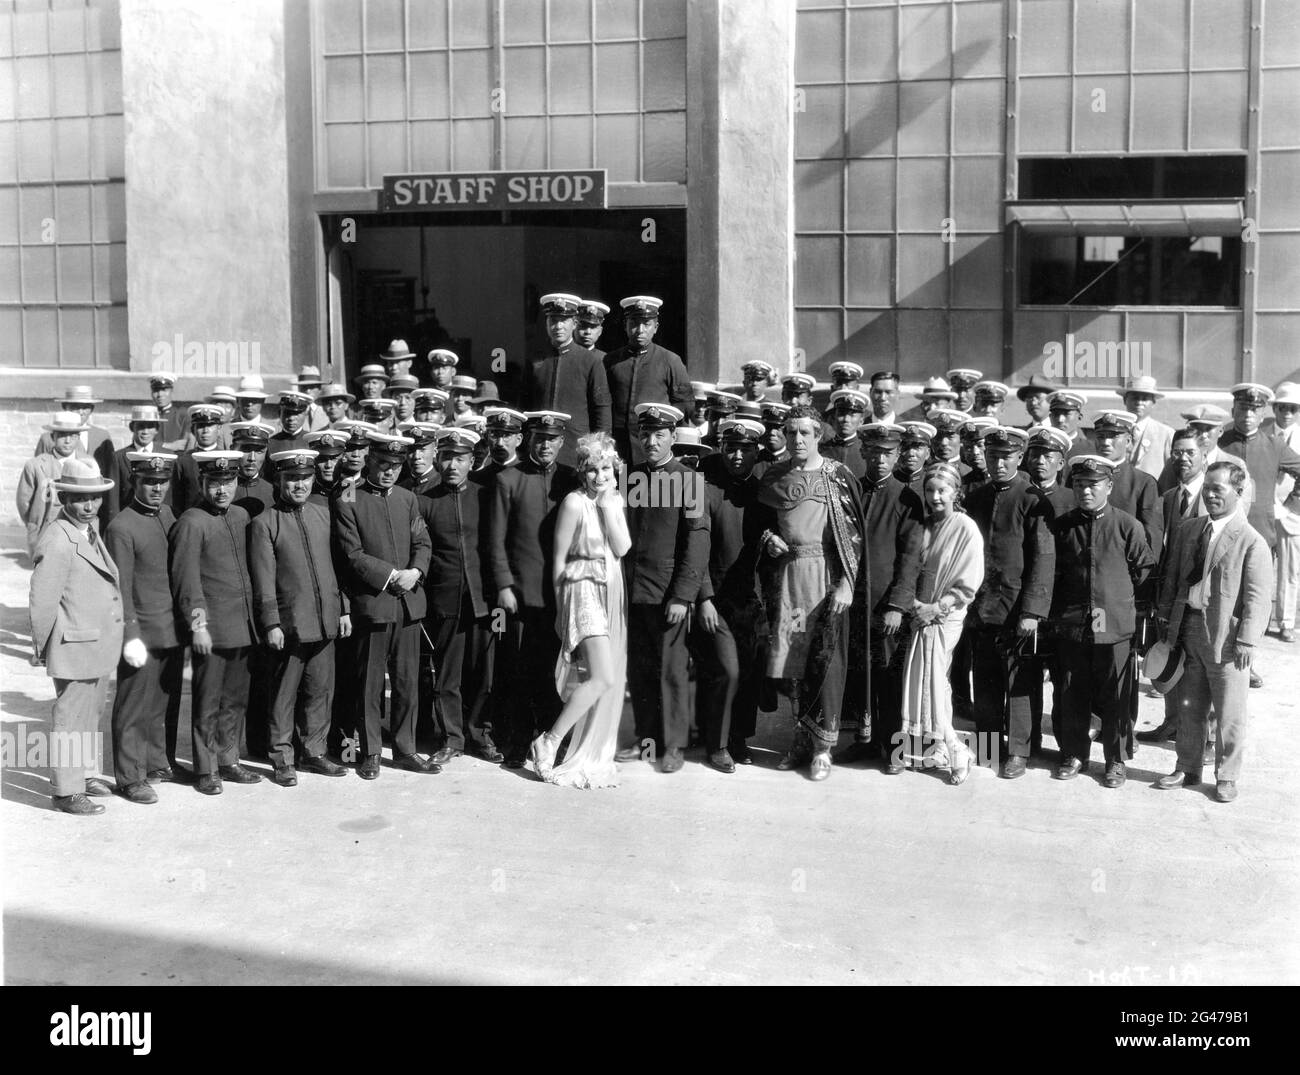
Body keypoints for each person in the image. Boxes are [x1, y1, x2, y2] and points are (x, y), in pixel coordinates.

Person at [754, 404, 865, 780]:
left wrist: (847, 583)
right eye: (791, 432)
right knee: (792, 662)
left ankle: (823, 749)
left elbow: (853, 536)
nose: (797, 439)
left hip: (826, 578)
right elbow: (761, 525)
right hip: (789, 580)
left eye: (805, 432)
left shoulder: (837, 475)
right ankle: (800, 738)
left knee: (825, 663)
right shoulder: (774, 476)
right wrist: (768, 539)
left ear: (819, 435)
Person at [1155, 460, 1272, 802]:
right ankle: (1187, 767)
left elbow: (1257, 597)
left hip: (1228, 639)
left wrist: (1247, 640)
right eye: (1206, 488)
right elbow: (1173, 579)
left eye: (1217, 489)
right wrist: (1166, 621)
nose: (1209, 495)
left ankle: (1227, 776)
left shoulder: (1252, 541)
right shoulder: (1189, 529)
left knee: (1229, 712)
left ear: (1238, 492)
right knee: (1189, 706)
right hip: (1188, 628)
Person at [332, 431, 438, 779]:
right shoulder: (348, 498)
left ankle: (406, 749)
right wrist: (392, 575)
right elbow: (352, 554)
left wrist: (416, 571)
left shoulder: (407, 498)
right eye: (382, 463)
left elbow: (423, 541)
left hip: (409, 605)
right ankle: (371, 752)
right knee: (370, 684)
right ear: (369, 461)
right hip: (374, 605)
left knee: (407, 682)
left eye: (396, 465)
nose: (389, 471)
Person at [530, 432, 632, 788]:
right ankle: (549, 740)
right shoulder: (573, 503)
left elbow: (622, 547)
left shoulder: (613, 500)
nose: (599, 476)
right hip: (582, 591)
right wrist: (562, 611)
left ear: (615, 470)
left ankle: (587, 749)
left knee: (607, 677)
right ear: (582, 472)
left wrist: (607, 506)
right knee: (602, 676)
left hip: (612, 591)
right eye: (592, 469)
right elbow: (559, 560)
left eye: (606, 469)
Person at [1049, 455, 1156, 787]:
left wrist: (1124, 608)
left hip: (1114, 626)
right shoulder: (1063, 527)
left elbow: (1144, 574)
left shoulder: (1127, 525)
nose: (1085, 491)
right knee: (1071, 691)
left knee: (1116, 695)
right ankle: (1074, 753)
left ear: (1109, 486)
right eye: (1079, 484)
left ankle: (1116, 759)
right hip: (1073, 625)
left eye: (1093, 484)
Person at [249, 449, 351, 787]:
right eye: (292, 478)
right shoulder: (265, 523)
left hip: (326, 619)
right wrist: (271, 623)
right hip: (290, 625)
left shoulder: (324, 515)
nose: (299, 485)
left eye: (305, 478)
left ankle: (315, 752)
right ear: (279, 480)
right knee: (283, 695)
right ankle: (282, 758)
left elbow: (339, 567)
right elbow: (263, 580)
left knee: (320, 690)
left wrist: (344, 609)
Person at [617, 403, 710, 773]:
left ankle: (674, 745)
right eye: (645, 434)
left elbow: (697, 541)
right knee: (639, 669)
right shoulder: (631, 477)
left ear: (673, 437)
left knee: (671, 671)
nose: (651, 442)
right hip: (633, 591)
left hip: (668, 594)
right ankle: (648, 739)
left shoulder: (689, 480)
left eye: (659, 435)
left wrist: (683, 595)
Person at [28, 459, 123, 815]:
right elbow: (42, 599)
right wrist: (43, 647)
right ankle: (66, 791)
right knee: (70, 717)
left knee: (90, 713)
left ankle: (82, 775)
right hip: (73, 644)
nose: (89, 506)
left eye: (95, 498)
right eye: (81, 499)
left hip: (94, 643)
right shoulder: (58, 538)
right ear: (64, 497)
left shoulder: (88, 529)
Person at [168, 450, 263, 795]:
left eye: (228, 482)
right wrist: (198, 626)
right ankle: (206, 769)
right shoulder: (191, 522)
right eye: (214, 483)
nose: (222, 490)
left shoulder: (240, 516)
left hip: (243, 626)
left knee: (234, 700)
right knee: (207, 703)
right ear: (202, 483)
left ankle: (228, 759)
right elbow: (187, 581)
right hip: (212, 629)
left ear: (237, 482)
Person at [963, 427, 1055, 778]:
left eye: (1006, 457)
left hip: (1018, 609)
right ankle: (989, 747)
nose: (999, 464)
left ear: (1019, 458)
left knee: (1020, 683)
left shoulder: (1032, 499)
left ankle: (1019, 751)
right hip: (982, 606)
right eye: (993, 456)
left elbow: (1043, 558)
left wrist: (1032, 611)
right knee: (985, 680)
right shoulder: (976, 498)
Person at [490, 411, 577, 768]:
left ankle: (550, 736)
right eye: (539, 438)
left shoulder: (571, 479)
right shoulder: (509, 479)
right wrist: (504, 585)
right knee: (518, 670)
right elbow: (495, 539)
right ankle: (520, 742)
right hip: (520, 595)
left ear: (561, 442)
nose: (545, 445)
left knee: (544, 669)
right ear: (529, 440)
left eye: (552, 439)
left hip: (558, 594)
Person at [834, 423, 922, 772]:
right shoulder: (850, 490)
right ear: (863, 452)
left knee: (889, 679)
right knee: (860, 675)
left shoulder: (906, 498)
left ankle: (895, 749)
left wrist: (897, 605)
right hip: (852, 603)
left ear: (897, 455)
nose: (881, 460)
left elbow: (911, 558)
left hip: (886, 605)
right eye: (874, 452)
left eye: (888, 453)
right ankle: (865, 741)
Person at [105, 452, 185, 802]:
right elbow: (120, 588)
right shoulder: (121, 527)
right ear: (134, 482)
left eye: (162, 482)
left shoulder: (168, 515)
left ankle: (157, 763)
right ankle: (130, 776)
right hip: (142, 631)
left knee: (162, 702)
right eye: (149, 482)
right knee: (133, 705)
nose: (157, 488)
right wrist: (130, 635)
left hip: (170, 627)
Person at [899, 462, 984, 784]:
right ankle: (937, 749)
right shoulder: (922, 526)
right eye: (930, 490)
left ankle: (957, 750)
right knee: (932, 681)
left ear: (956, 492)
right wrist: (917, 606)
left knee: (934, 678)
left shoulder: (965, 528)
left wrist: (937, 607)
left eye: (942, 490)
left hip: (947, 613)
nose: (935, 497)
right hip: (919, 613)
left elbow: (969, 579)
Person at [691, 417, 767, 771]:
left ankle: (738, 739)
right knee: (727, 670)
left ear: (756, 453)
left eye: (745, 450)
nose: (737, 456)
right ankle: (717, 744)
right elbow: (696, 550)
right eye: (730, 448)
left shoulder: (764, 493)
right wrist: (704, 597)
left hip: (750, 599)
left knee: (748, 673)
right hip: (716, 599)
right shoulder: (705, 490)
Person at [419, 427, 498, 765]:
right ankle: (452, 739)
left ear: (471, 461)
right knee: (447, 675)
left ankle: (480, 735)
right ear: (438, 459)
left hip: (483, 599)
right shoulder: (425, 500)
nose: (453, 465)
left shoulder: (486, 496)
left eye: (460, 459)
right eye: (447, 458)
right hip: (445, 599)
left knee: (484, 674)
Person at [1138, 428, 1210, 744]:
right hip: (1168, 597)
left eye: (1190, 452)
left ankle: (1206, 736)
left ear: (1204, 455)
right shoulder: (1167, 498)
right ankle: (1171, 722)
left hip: (1200, 599)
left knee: (1200, 667)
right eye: (1177, 452)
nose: (1182, 458)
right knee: (1169, 659)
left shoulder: (1214, 496)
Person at [603, 296, 693, 463]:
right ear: (625, 325)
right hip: (618, 447)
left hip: (654, 447)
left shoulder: (671, 361)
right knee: (621, 479)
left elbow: (685, 407)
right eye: (634, 323)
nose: (640, 330)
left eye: (646, 324)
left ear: (656, 327)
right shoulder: (610, 361)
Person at [18, 412, 89, 556]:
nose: (67, 441)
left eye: (73, 436)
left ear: (78, 437)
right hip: (45, 532)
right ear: (53, 437)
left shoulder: (88, 464)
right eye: (62, 435)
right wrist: (34, 523)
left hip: (78, 531)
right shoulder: (36, 465)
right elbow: (24, 502)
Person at [1266, 383, 1300, 643]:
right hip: (1263, 510)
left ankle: (1286, 621)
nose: (1287, 413)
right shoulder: (1262, 432)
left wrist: (1290, 504)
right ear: (1274, 408)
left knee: (1289, 570)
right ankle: (1260, 619)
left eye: (1293, 409)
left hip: (1291, 513)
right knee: (1261, 566)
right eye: (1282, 408)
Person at [102, 404, 165, 528]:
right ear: (132, 427)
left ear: (157, 429)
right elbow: (112, 499)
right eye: (140, 426)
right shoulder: (118, 457)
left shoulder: (167, 455)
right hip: (129, 523)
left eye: (150, 426)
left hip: (159, 522)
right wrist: (115, 526)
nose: (145, 431)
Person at [32, 385, 113, 473]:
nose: (81, 412)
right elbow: (38, 469)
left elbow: (111, 470)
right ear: (65, 407)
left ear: (92, 409)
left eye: (85, 407)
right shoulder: (47, 439)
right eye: (75, 407)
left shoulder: (102, 436)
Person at [1120, 376, 1175, 479]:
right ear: (1125, 400)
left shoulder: (1166, 433)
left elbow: (1171, 471)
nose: (1139, 402)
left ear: (1153, 403)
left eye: (1145, 399)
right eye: (1135, 397)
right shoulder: (1115, 429)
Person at [819, 388, 867, 479]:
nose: (846, 419)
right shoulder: (821, 450)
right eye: (841, 414)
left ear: (861, 421)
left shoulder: (866, 452)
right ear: (834, 417)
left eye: (852, 415)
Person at [1048, 390, 1093, 459]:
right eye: (1056, 414)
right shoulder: (1040, 446)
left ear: (1079, 417)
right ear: (1050, 416)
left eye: (1066, 414)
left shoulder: (1091, 449)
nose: (1060, 419)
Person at [150, 372, 190, 448]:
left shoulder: (182, 414)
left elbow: (186, 443)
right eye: (156, 391)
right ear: (151, 393)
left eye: (164, 390)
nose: (160, 395)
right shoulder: (148, 415)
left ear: (171, 391)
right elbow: (140, 442)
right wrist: (166, 446)